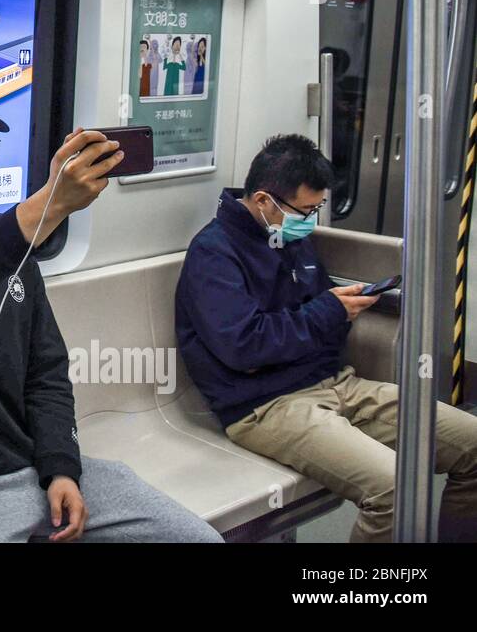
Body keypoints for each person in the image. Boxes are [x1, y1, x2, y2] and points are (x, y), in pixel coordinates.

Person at [0, 83, 222, 543]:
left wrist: (61, 469)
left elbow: (46, 373)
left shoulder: (16, 256)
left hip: (35, 469)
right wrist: (49, 203)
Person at [175, 134, 477, 542]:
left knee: (473, 445)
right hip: (266, 406)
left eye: (317, 209)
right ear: (264, 201)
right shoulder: (213, 254)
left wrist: (344, 306)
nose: (312, 221)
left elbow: (314, 311)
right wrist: (329, 312)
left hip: (337, 383)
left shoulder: (292, 240)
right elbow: (243, 347)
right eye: (305, 210)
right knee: (393, 487)